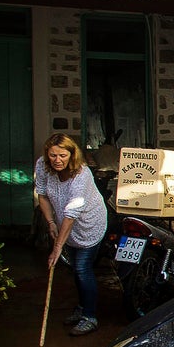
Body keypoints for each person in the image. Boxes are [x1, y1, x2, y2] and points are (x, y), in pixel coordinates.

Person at [34, 133, 108, 336]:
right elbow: (41, 194)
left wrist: (57, 248)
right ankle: (82, 307)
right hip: (64, 223)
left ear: (72, 155)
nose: (57, 160)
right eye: (53, 155)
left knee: (82, 268)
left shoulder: (81, 174)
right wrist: (50, 222)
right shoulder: (42, 165)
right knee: (76, 268)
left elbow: (72, 212)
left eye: (62, 155)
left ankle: (90, 316)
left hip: (89, 223)